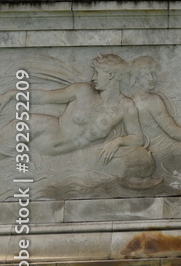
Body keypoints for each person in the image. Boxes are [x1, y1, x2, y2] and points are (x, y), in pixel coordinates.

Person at [0, 55, 152, 176]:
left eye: (97, 73)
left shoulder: (125, 106)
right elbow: (46, 97)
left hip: (56, 158)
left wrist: (118, 141)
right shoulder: (82, 90)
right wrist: (12, 94)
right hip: (34, 129)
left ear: (111, 75)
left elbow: (138, 137)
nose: (93, 77)